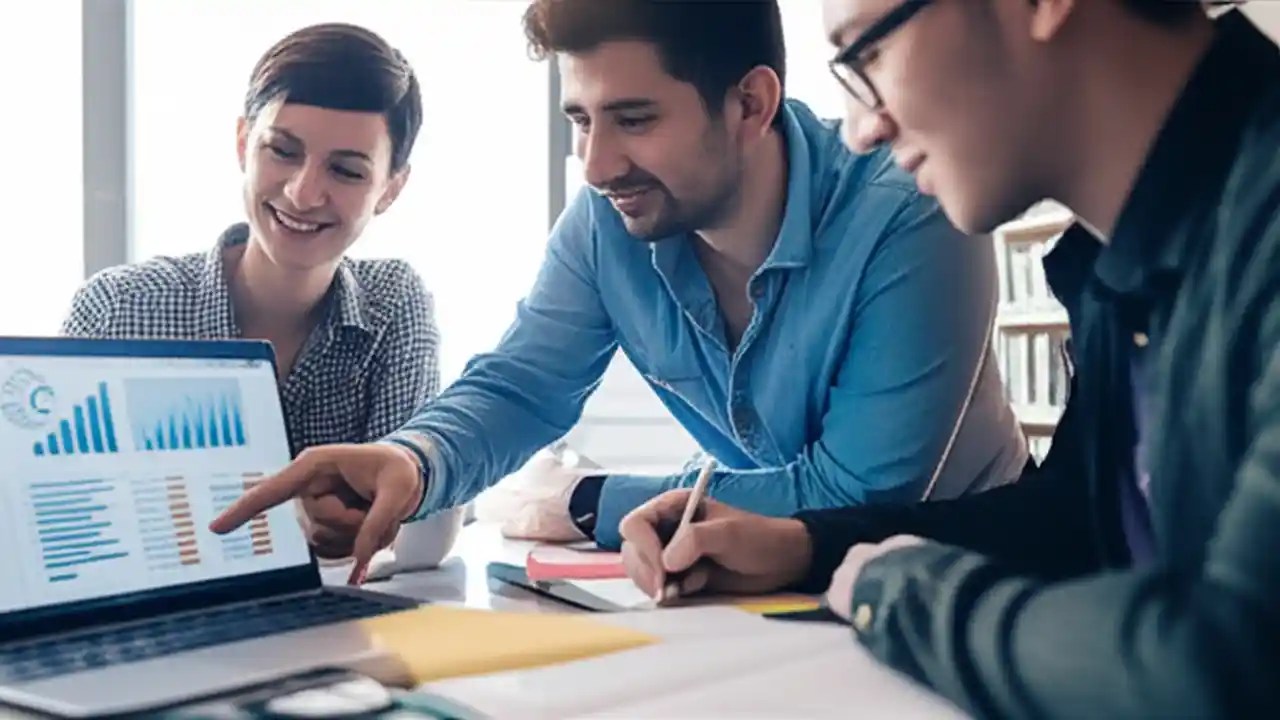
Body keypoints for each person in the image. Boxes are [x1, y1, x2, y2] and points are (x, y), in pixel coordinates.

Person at [617, 0, 1280, 716]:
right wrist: (807, 547)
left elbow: (1232, 663)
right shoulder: (1130, 261)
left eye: (869, 52)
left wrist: (903, 594)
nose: (863, 128)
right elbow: (1081, 526)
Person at [210, 0, 1027, 577]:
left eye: (634, 119)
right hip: (765, 580)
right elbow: (524, 383)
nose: (596, 166)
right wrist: (411, 460)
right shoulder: (611, 220)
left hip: (966, 573)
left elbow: (854, 495)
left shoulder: (911, 210)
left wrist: (589, 498)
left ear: (750, 102)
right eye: (579, 121)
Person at [62, 23, 440, 458]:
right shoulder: (118, 308)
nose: (302, 193)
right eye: (282, 151)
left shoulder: (392, 305)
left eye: (346, 171)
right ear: (244, 143)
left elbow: (412, 504)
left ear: (391, 189)